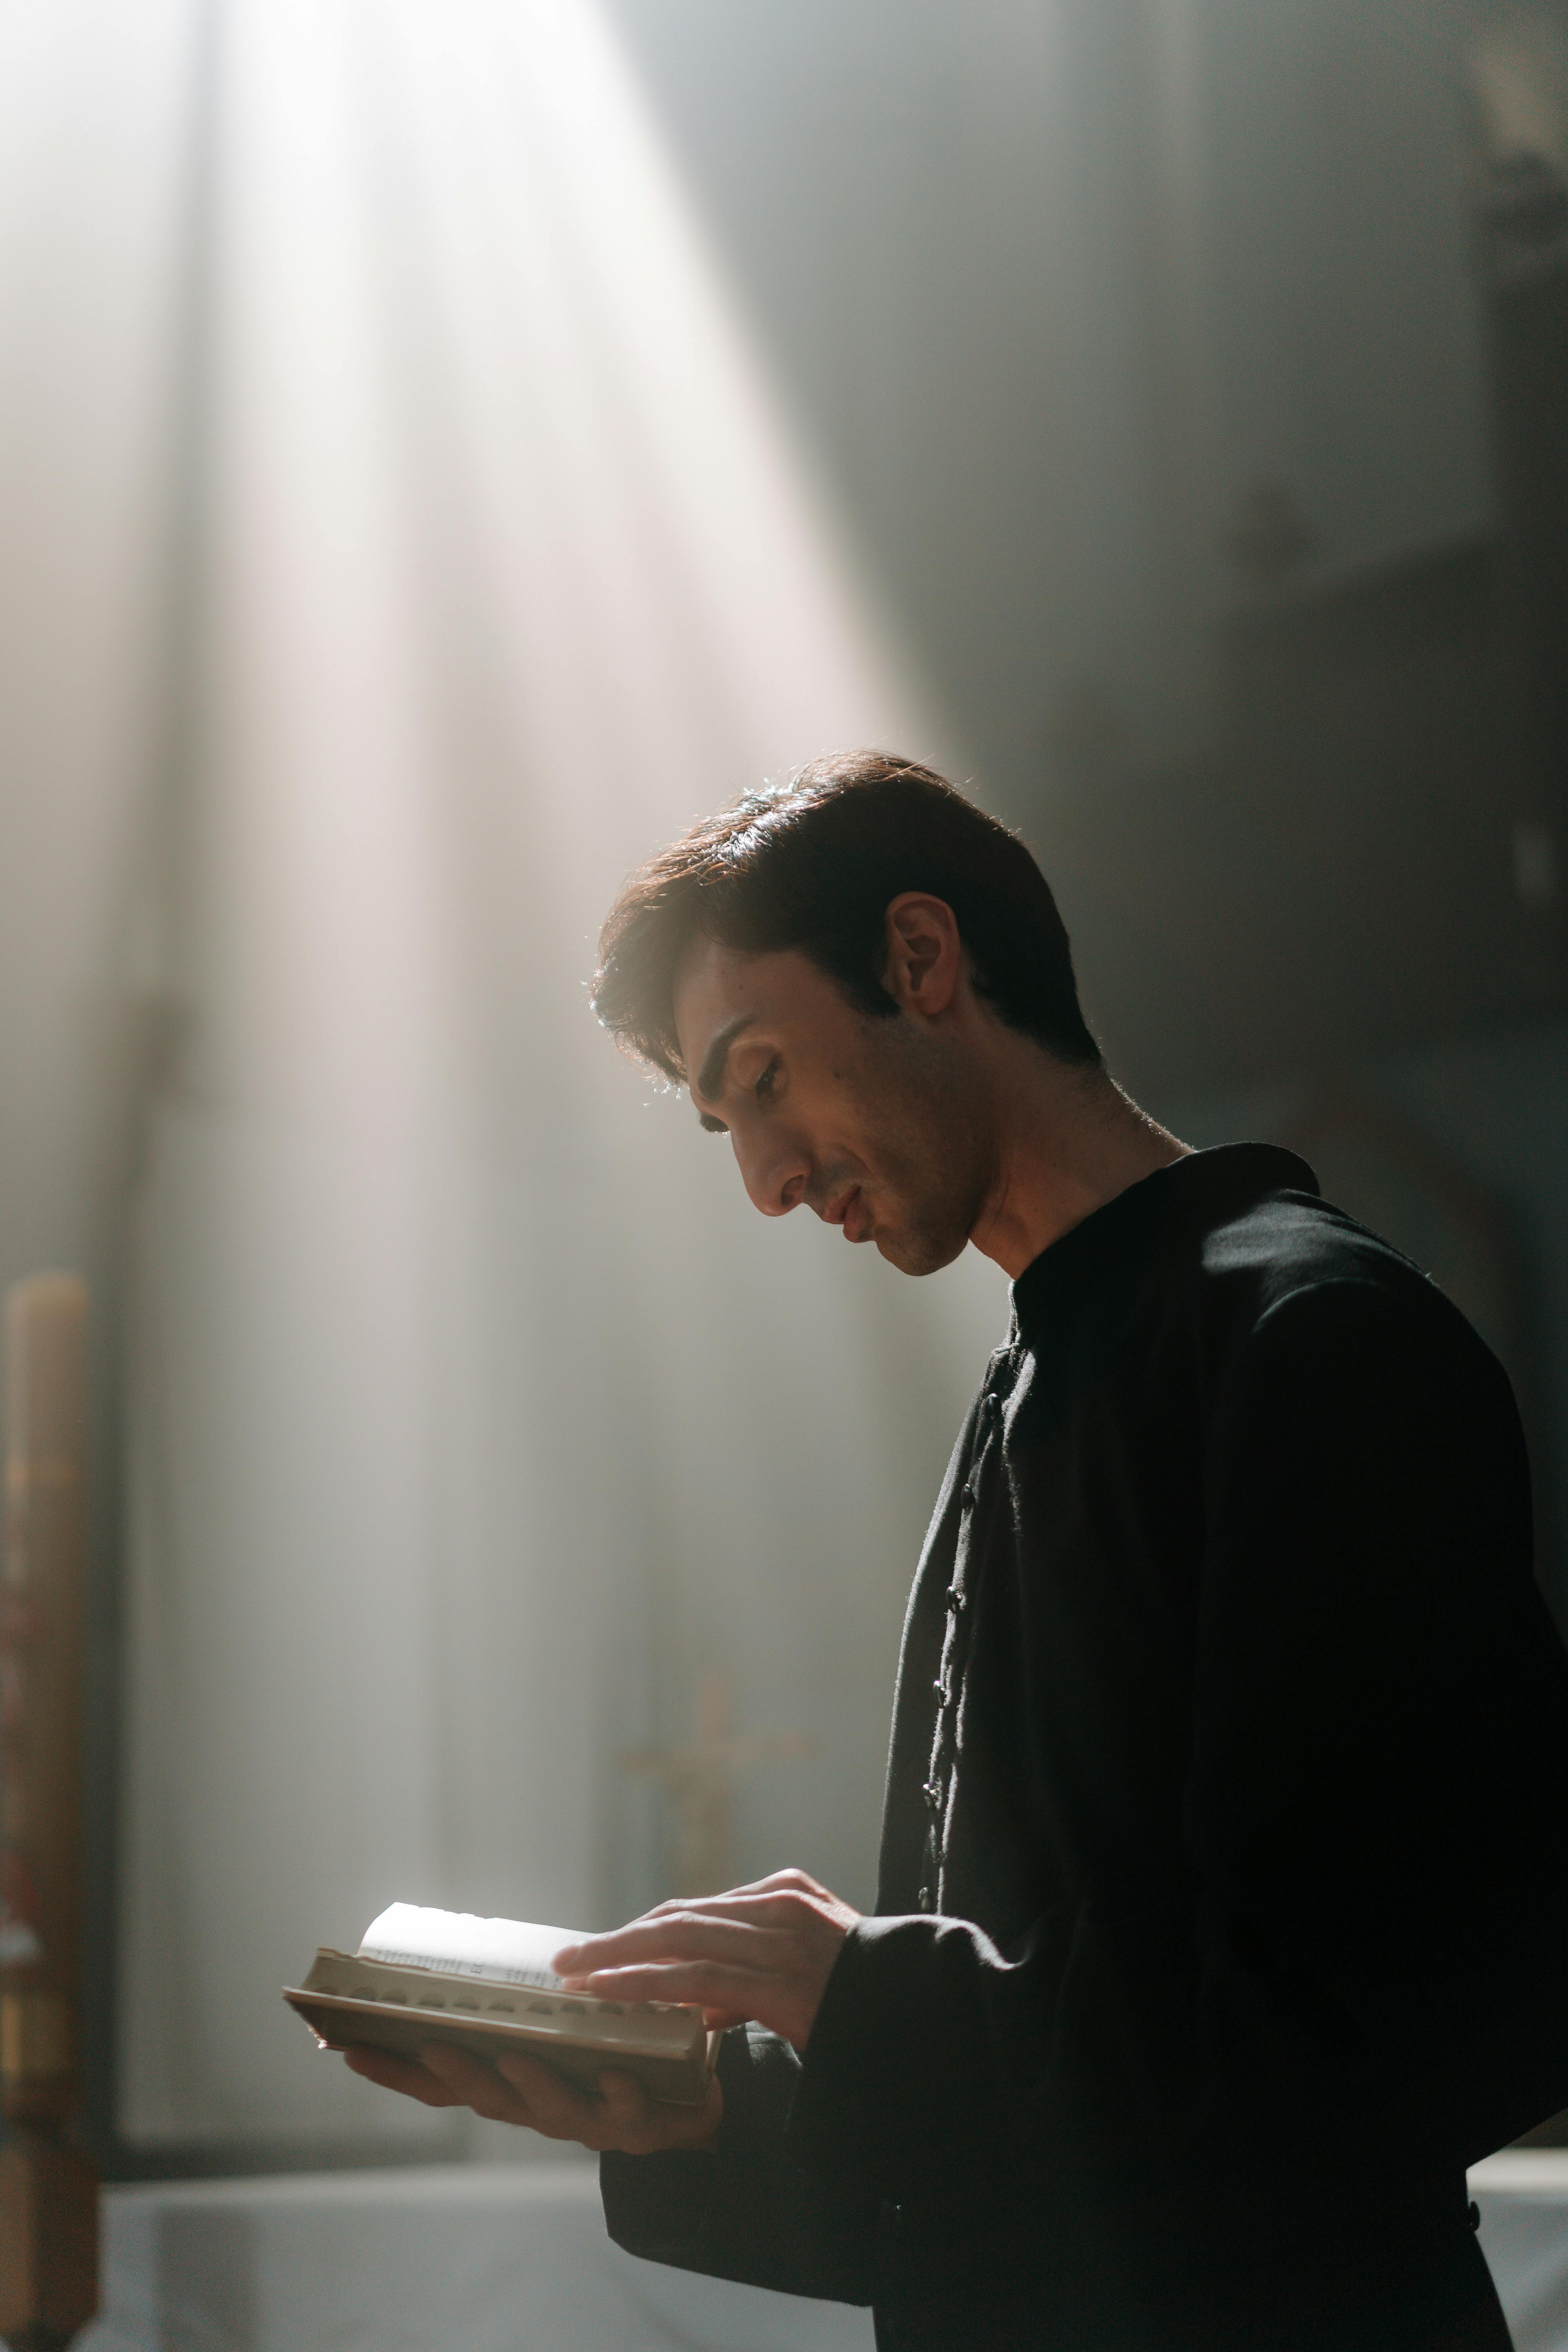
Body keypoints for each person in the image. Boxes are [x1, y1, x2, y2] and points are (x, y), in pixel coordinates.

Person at [346, 752, 1568, 2350]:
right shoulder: (1024, 1394)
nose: (767, 1183)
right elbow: (1052, 2125)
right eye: (725, 1123)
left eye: (763, 1076)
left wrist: (863, 1995)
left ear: (921, 960)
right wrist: (705, 2110)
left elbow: (1380, 2027)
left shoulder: (1306, 1339)